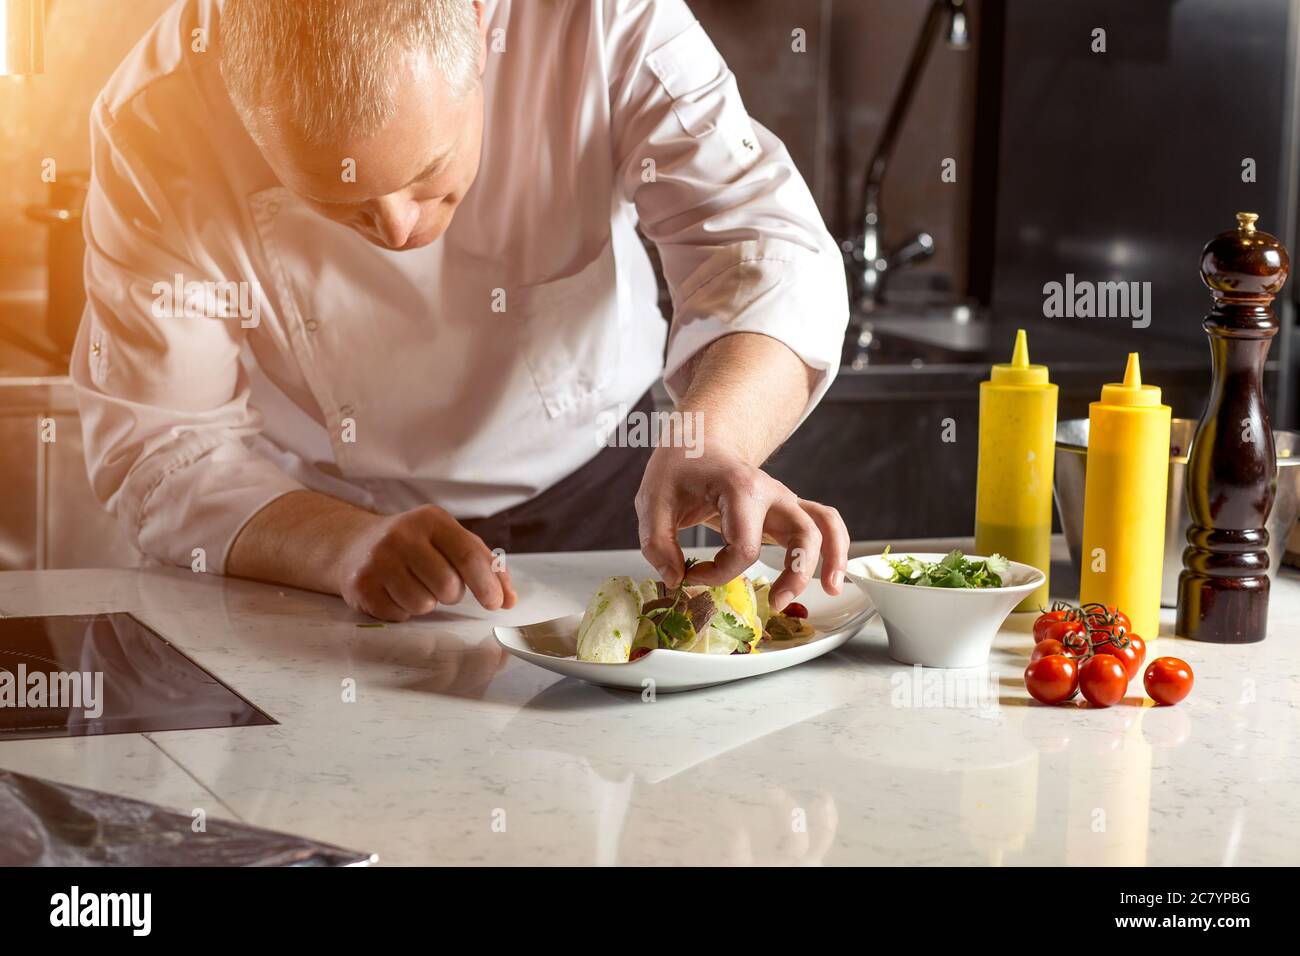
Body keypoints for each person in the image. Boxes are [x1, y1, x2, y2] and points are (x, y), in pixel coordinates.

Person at [73, 0, 850, 621]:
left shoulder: (603, 17)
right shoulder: (158, 116)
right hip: (312, 526)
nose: (399, 231)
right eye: (332, 200)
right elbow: (160, 445)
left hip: (594, 498)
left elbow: (760, 243)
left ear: (481, 24)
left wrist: (715, 437)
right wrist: (341, 547)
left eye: (426, 172)